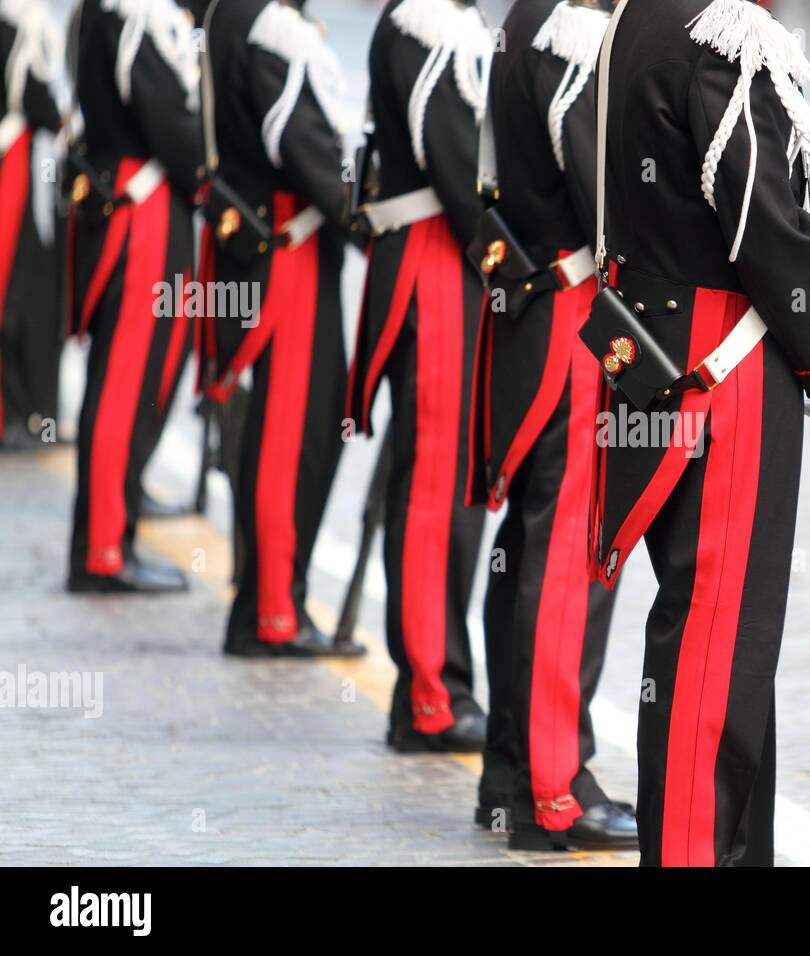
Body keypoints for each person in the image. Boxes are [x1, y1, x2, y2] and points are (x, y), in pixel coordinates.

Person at [594, 0, 810, 865]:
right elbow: (764, 222)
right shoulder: (721, 35)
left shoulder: (640, 16)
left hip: (651, 353)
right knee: (715, 653)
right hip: (725, 371)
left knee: (717, 642)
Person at [465, 0, 637, 850]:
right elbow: (606, 189)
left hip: (537, 309)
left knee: (529, 553)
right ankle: (552, 783)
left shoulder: (527, 16)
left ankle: (510, 767)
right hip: (574, 320)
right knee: (569, 555)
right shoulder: (573, 29)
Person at [347, 0, 493, 751]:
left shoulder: (446, 25)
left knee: (457, 490)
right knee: (435, 487)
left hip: (454, 266)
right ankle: (429, 692)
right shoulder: (421, 24)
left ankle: (442, 675)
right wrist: (520, 260)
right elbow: (459, 168)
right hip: (437, 263)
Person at [202, 0, 362, 657]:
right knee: (291, 437)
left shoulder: (228, 13)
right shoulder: (271, 29)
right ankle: (273, 611)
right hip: (288, 253)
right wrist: (366, 218)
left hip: (271, 245)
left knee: (291, 428)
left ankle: (268, 603)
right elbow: (305, 147)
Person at [66, 0, 204, 593]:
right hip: (140, 214)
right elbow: (177, 133)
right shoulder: (136, 15)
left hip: (135, 205)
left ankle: (114, 534)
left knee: (134, 384)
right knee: (123, 388)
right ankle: (102, 550)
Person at [0, 0, 63, 453]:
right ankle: (24, 414)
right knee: (22, 294)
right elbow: (40, 102)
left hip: (19, 167)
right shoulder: (23, 22)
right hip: (17, 170)